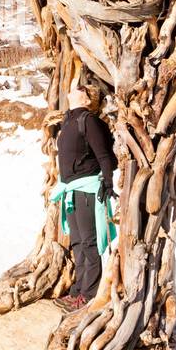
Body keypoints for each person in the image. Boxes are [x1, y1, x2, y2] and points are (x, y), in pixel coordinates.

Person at [49, 84, 117, 312]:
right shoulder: (69, 121)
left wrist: (108, 182)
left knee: (89, 243)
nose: (73, 89)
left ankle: (89, 295)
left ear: (88, 100)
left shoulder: (88, 121)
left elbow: (104, 155)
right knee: (77, 242)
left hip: (88, 188)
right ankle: (77, 291)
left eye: (81, 89)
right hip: (71, 189)